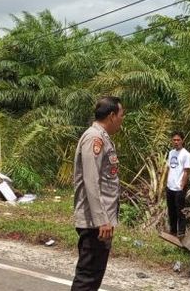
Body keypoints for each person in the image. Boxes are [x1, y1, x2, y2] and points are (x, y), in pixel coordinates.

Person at [71, 96, 125, 291]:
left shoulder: (102, 137)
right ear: (111, 116)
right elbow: (91, 181)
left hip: (102, 222)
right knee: (87, 278)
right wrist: (101, 219)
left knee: (93, 278)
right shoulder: (94, 138)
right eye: (121, 115)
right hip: (96, 223)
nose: (121, 120)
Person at [165, 130, 190, 237]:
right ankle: (173, 231)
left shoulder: (186, 154)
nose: (176, 142)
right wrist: (166, 182)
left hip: (179, 188)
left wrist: (182, 185)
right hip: (170, 187)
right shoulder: (171, 153)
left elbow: (186, 171)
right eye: (174, 140)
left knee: (180, 212)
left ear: (182, 140)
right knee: (171, 211)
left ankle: (181, 232)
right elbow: (169, 168)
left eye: (178, 140)